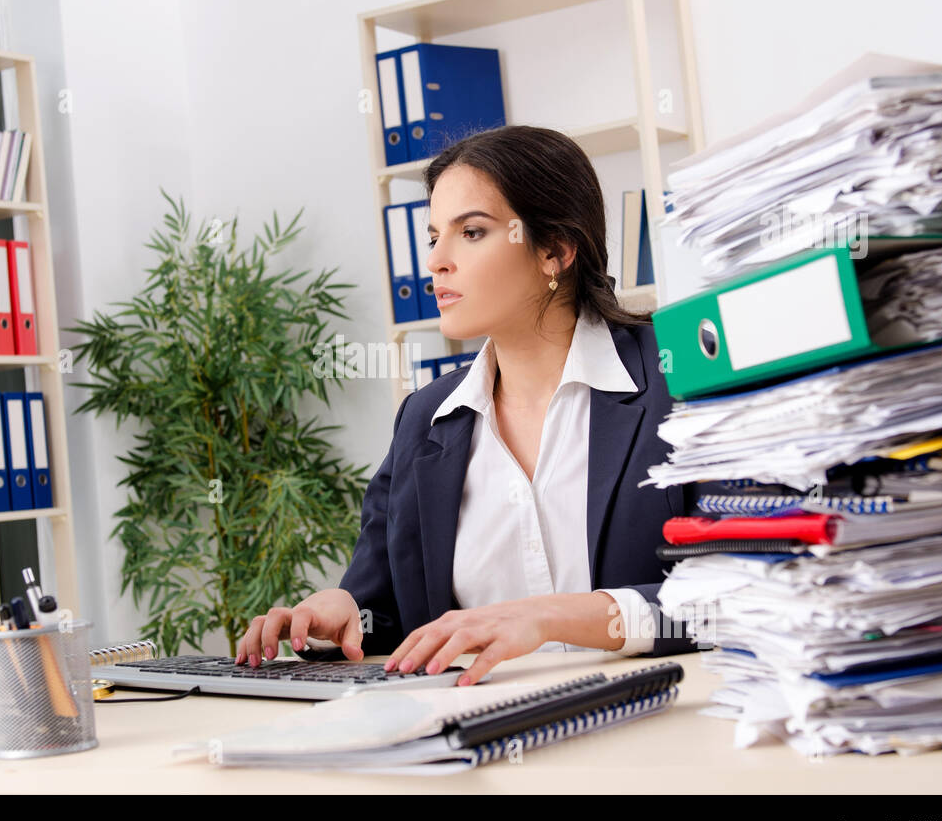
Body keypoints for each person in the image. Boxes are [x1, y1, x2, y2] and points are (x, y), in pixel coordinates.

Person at [236, 125, 699, 685]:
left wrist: (555, 616)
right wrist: (341, 614)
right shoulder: (425, 418)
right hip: (476, 740)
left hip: (662, 731)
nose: (436, 262)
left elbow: (753, 594)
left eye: (471, 232)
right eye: (433, 237)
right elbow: (386, 609)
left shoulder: (682, 374)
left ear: (554, 249)